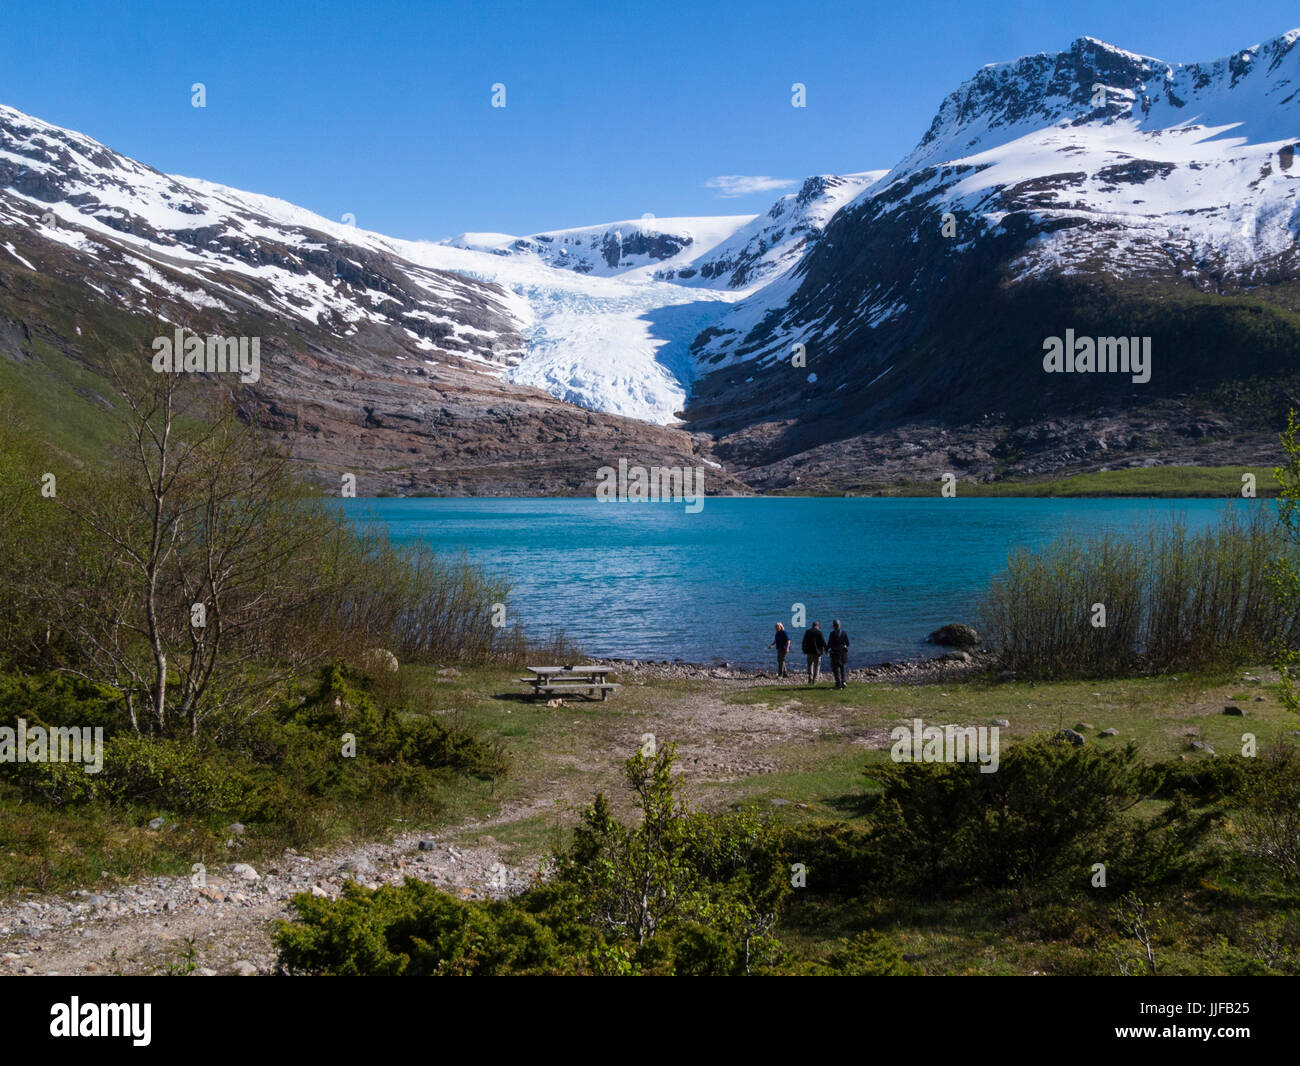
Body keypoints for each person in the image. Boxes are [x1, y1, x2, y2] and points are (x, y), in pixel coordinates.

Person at [827, 619, 850, 689]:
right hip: (843, 653)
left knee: (835, 668)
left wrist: (826, 649)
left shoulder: (832, 634)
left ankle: (838, 682)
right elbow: (848, 643)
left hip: (835, 653)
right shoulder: (844, 633)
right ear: (839, 625)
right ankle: (844, 681)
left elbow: (829, 644)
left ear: (833, 626)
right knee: (843, 667)